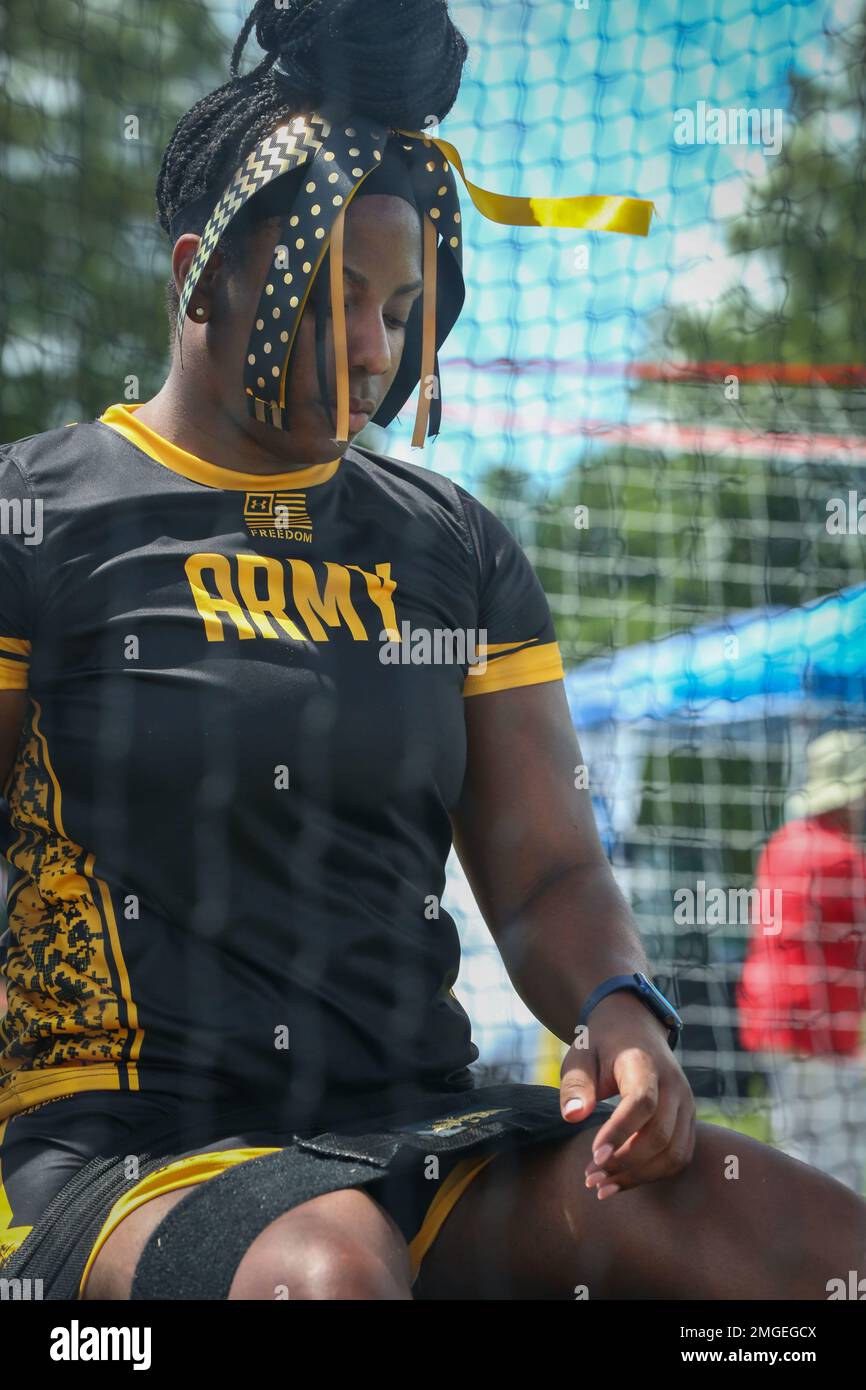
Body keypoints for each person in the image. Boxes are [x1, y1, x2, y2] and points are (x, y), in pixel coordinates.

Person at [1, 0, 865, 1302]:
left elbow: (543, 871)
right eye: (336, 296)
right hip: (131, 1148)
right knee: (327, 1273)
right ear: (200, 270)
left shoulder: (449, 546)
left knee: (800, 1246)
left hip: (413, 1125)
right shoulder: (42, 515)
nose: (370, 347)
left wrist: (618, 1011)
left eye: (401, 309)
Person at [738, 728, 866, 1193]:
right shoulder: (843, 859)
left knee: (797, 1146)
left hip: (771, 1018)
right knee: (836, 1164)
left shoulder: (782, 845)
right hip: (819, 1025)